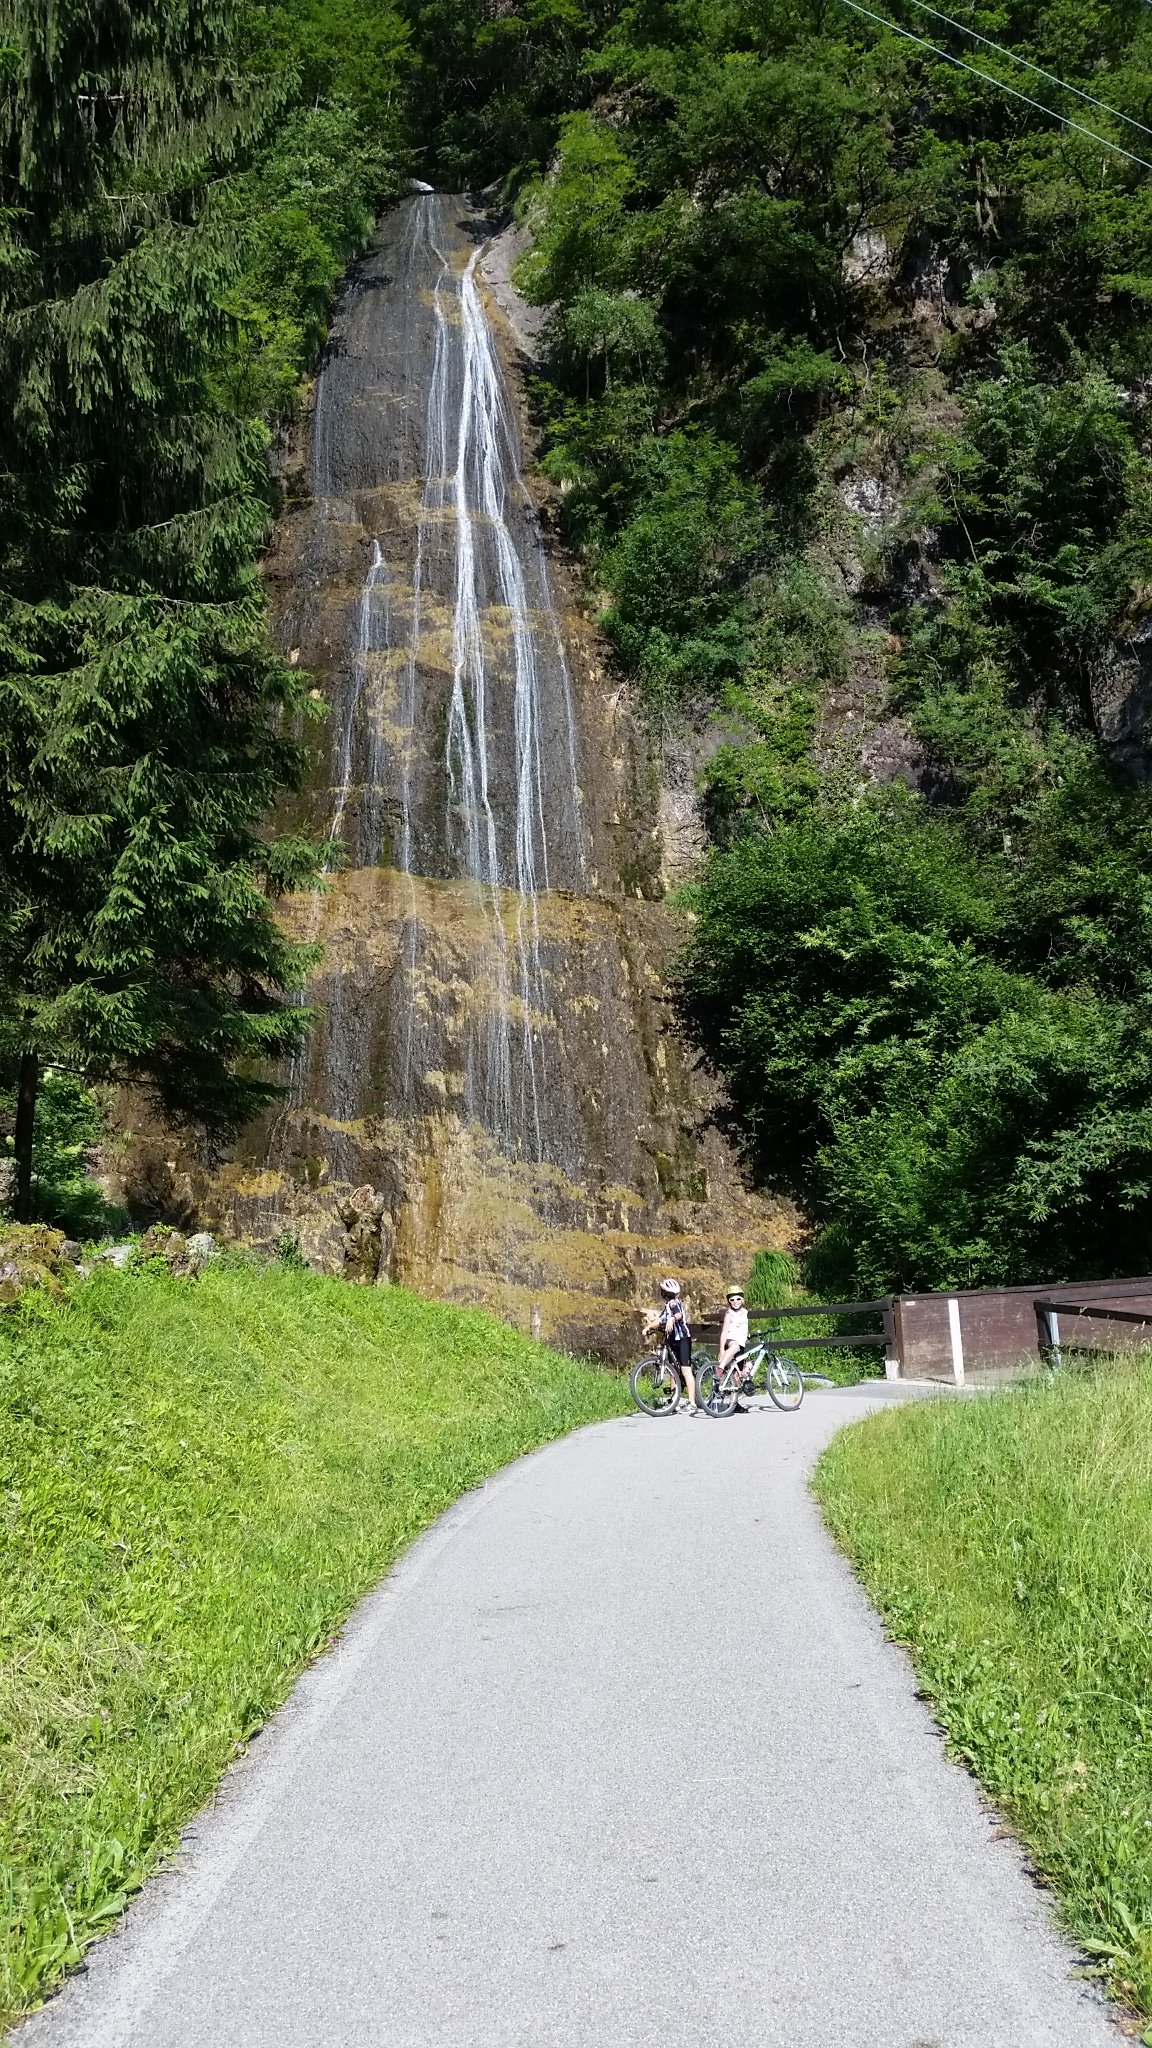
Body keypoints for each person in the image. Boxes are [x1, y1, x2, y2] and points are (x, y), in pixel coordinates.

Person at [642, 1276, 697, 1413]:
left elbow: (678, 1315)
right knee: (673, 1370)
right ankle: (673, 1401)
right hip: (672, 1340)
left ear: (664, 1292)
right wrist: (649, 1327)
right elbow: (660, 1320)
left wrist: (672, 1319)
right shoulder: (667, 1306)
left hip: (682, 1339)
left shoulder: (673, 1303)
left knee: (685, 1371)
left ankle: (692, 1403)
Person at [719, 1283, 751, 1408]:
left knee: (737, 1375)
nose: (735, 1302)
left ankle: (734, 1403)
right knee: (735, 1346)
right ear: (729, 1301)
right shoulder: (729, 1314)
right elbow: (724, 1333)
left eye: (738, 1299)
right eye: (732, 1300)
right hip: (731, 1340)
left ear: (742, 1300)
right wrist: (721, 1350)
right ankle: (720, 1368)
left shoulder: (745, 1312)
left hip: (741, 1343)